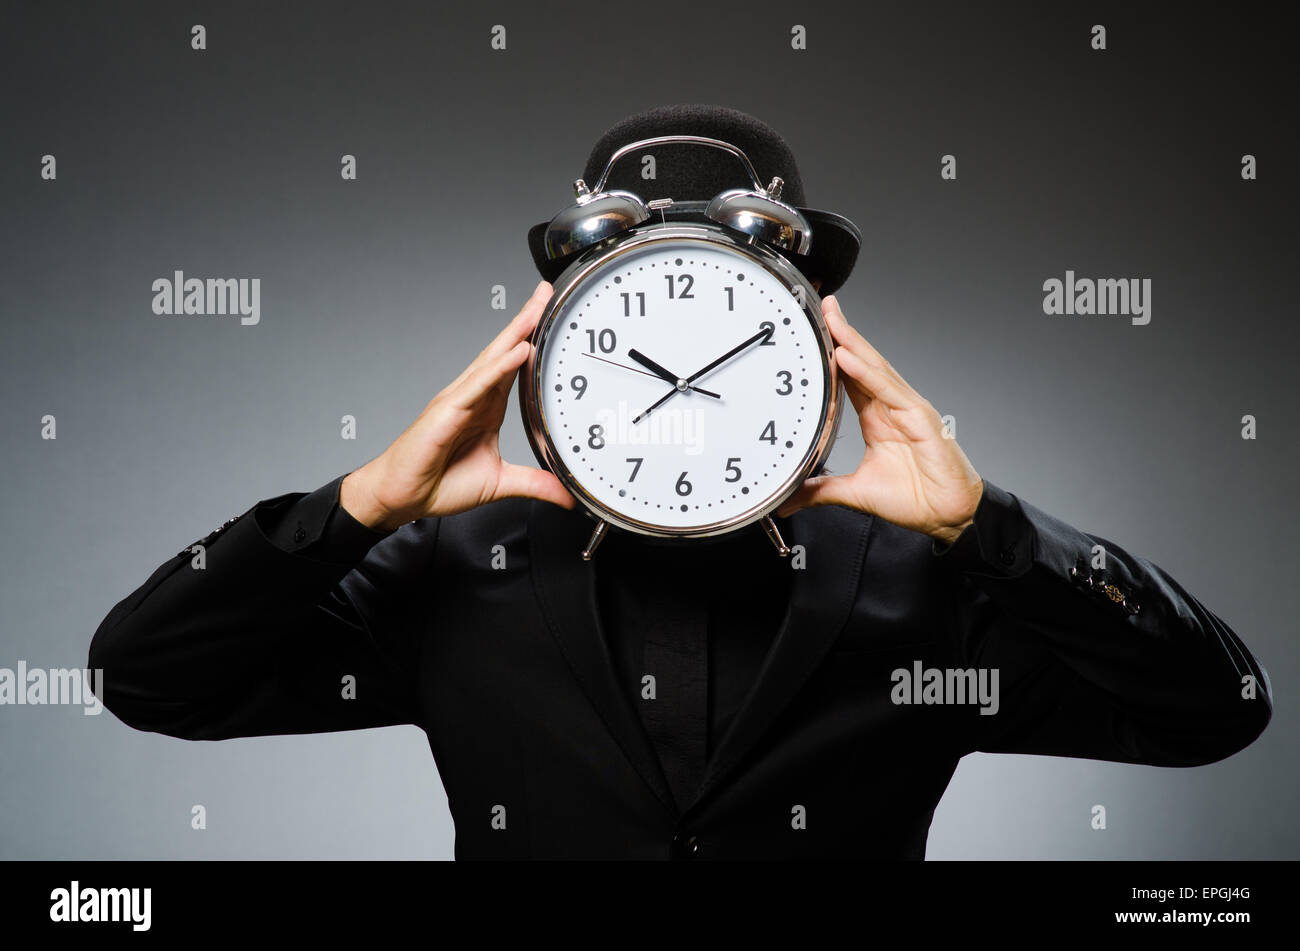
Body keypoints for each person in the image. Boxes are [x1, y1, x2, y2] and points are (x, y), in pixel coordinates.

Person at [88, 105, 1272, 860]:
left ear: (814, 337)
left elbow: (1214, 713)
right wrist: (359, 508)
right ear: (555, 342)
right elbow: (145, 678)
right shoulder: (453, 568)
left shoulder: (927, 587)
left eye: (736, 331)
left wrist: (992, 529)